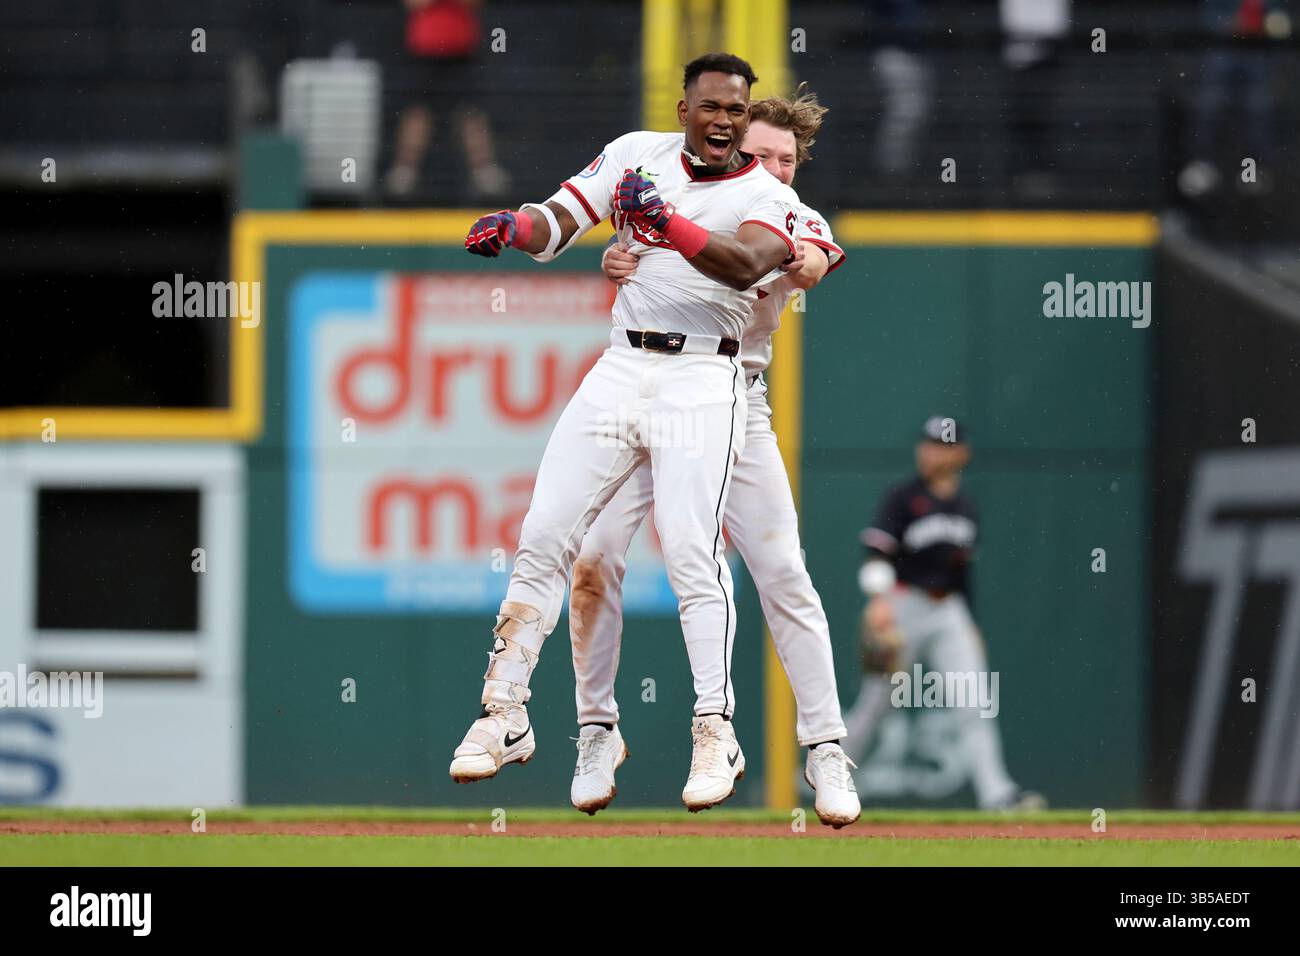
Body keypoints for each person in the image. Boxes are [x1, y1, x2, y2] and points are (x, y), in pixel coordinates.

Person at [450, 53, 803, 814]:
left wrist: (664, 224)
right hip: (623, 359)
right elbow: (562, 216)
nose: (723, 120)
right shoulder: (634, 154)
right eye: (710, 106)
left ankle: (715, 725)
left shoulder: (770, 193)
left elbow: (744, 265)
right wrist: (515, 226)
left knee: (689, 549)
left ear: (747, 119)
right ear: (683, 110)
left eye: (736, 110)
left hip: (706, 375)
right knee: (546, 530)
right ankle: (504, 710)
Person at [565, 88, 860, 827]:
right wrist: (619, 252)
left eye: (787, 159)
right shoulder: (685, 204)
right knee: (594, 557)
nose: (774, 168)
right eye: (761, 154)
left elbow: (813, 266)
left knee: (783, 570)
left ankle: (824, 745)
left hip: (736, 403)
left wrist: (794, 254)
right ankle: (597, 731)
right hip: (652, 392)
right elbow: (629, 251)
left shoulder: (791, 215)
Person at [842, 417, 1044, 812]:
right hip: (903, 604)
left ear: (961, 453)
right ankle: (832, 778)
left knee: (974, 700)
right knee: (877, 703)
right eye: (929, 443)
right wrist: (879, 602)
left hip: (948, 609)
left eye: (942, 444)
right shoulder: (902, 497)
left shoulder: (966, 505)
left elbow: (963, 572)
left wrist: (971, 624)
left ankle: (997, 793)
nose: (932, 451)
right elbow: (877, 556)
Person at [385, 0, 511, 200]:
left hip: (462, 49)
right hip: (424, 48)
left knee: (472, 114)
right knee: (417, 113)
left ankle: (484, 172)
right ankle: (405, 173)